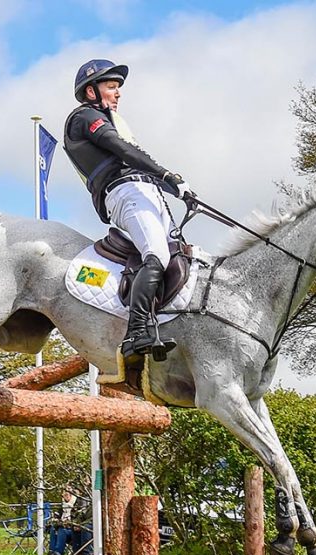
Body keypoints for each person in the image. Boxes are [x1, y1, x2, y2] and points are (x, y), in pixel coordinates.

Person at [63, 58, 194, 366]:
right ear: (91, 91)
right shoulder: (84, 117)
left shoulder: (109, 120)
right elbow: (122, 150)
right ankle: (135, 332)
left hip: (146, 192)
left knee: (179, 257)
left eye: (118, 87)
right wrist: (166, 174)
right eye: (112, 86)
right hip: (125, 193)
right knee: (157, 255)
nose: (118, 93)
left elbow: (135, 156)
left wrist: (177, 188)